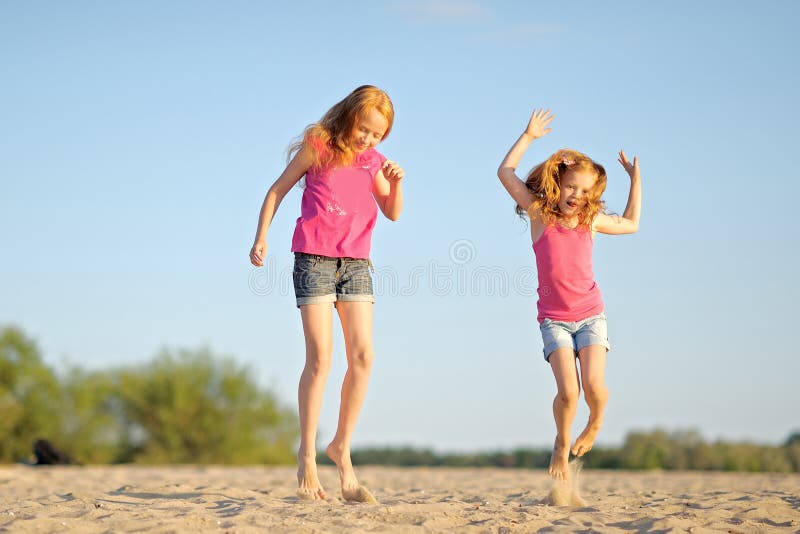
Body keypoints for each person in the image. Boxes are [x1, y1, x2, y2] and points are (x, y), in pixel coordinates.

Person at [249, 85, 405, 502]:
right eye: (364, 130)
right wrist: (262, 236)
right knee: (320, 360)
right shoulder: (318, 146)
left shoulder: (374, 161)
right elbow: (277, 190)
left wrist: (394, 182)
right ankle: (307, 457)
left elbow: (392, 212)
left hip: (356, 265)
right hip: (314, 261)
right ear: (349, 117)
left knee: (364, 356)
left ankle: (341, 447)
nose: (368, 140)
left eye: (378, 135)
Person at [497, 107, 641, 482]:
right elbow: (505, 173)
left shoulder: (591, 220)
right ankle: (561, 444)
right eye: (571, 186)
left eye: (584, 190)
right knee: (569, 395)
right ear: (558, 183)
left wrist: (635, 180)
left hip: (592, 315)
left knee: (594, 388)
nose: (576, 195)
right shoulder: (540, 215)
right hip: (555, 321)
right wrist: (528, 136)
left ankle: (595, 424)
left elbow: (631, 224)